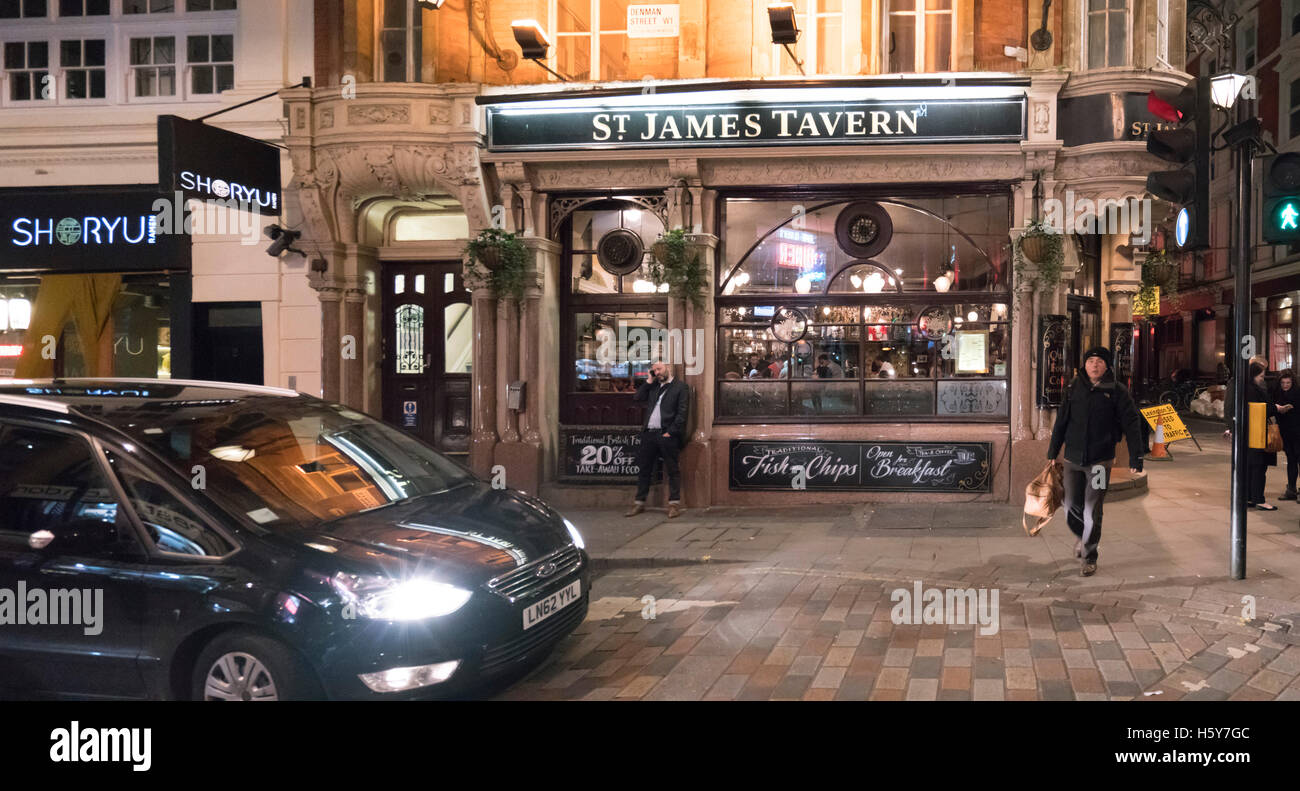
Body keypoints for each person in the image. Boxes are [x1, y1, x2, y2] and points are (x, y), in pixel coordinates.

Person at [1047, 346, 1145, 577]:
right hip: (1072, 458)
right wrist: (1053, 451)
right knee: (1070, 505)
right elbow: (1061, 421)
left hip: (1100, 461)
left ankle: (1090, 556)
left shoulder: (1117, 391)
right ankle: (1083, 537)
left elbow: (1132, 425)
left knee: (1093, 509)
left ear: (1107, 366)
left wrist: (1136, 456)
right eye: (1090, 361)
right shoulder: (1073, 387)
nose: (1094, 365)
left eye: (1099, 361)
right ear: (1085, 364)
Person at [625, 361, 691, 519]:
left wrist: (671, 432)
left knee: (672, 469)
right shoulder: (654, 386)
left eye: (659, 369)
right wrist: (648, 380)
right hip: (649, 433)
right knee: (645, 469)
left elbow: (682, 412)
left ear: (667, 368)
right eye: (654, 370)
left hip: (666, 434)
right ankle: (639, 502)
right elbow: (638, 398)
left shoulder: (680, 387)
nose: (657, 372)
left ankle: (674, 504)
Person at [1245, 361, 1279, 510]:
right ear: (1253, 375)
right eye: (1260, 376)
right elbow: (1260, 410)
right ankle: (1259, 499)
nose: (1262, 379)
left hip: (1249, 432)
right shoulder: (1253, 390)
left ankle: (1250, 497)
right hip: (1257, 432)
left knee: (1251, 466)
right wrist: (1276, 408)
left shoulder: (1245, 388)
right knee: (1259, 466)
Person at [1275, 369, 1300, 500]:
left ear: (1292, 382)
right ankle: (1291, 489)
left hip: (1297, 432)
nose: (1285, 385)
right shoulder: (1278, 394)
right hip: (1286, 433)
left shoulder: (1297, 394)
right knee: (1291, 460)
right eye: (1283, 382)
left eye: (1288, 383)